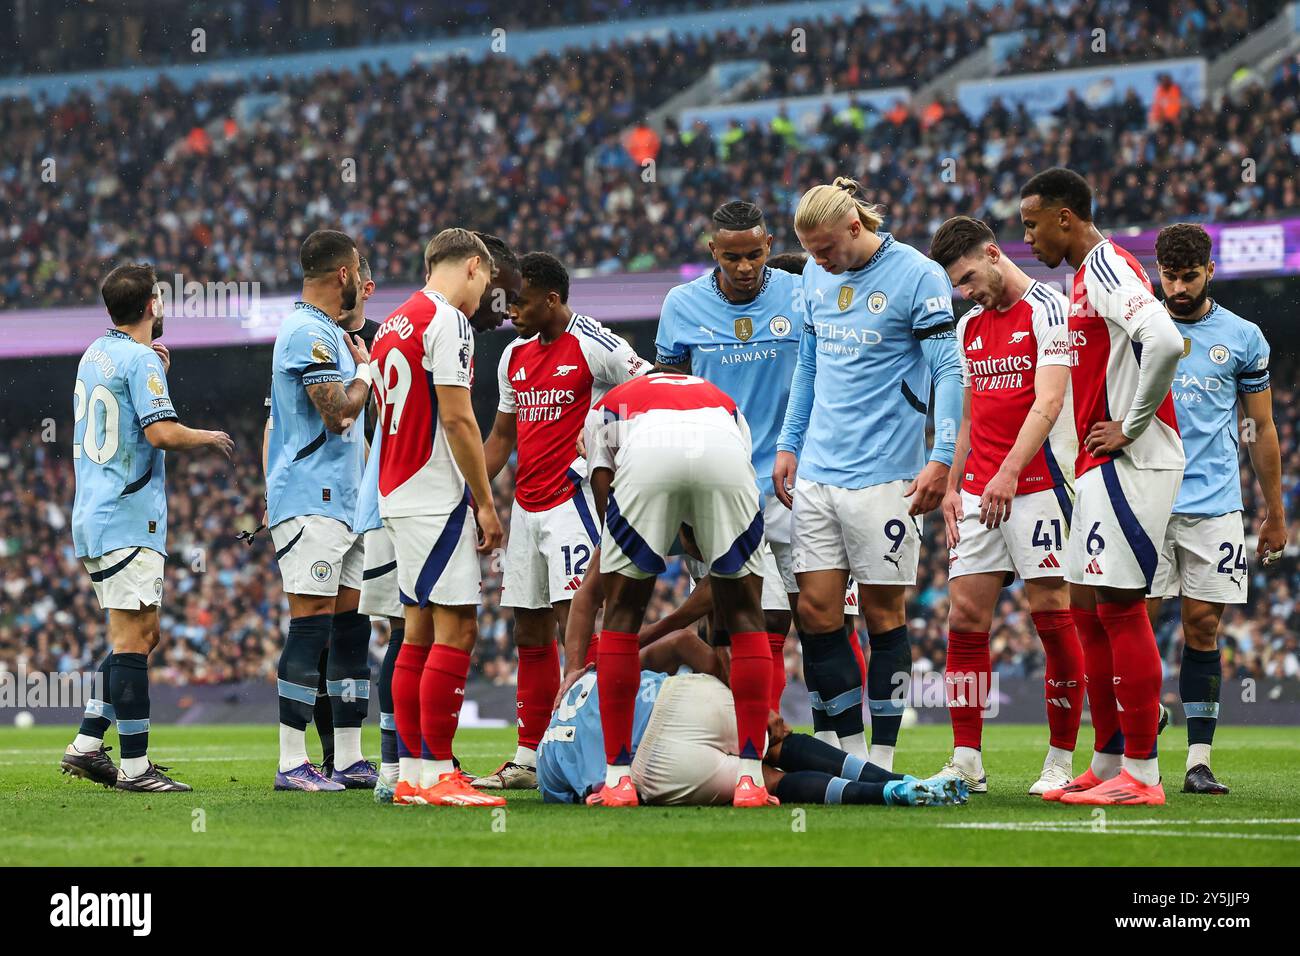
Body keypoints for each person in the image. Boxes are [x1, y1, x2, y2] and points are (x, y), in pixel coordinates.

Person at [651, 203, 865, 752]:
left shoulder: (804, 293)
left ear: (769, 245)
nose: (744, 266)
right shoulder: (682, 305)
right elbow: (671, 402)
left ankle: (845, 744)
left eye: (754, 254)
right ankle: (756, 744)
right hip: (719, 491)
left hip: (801, 484)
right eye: (732, 256)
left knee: (823, 618)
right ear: (712, 252)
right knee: (741, 626)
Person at [774, 177, 963, 771]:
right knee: (817, 611)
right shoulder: (813, 276)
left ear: (856, 227)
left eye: (826, 248)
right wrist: (789, 442)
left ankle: (883, 753)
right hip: (819, 474)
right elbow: (807, 365)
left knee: (884, 616)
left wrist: (943, 456)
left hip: (887, 476)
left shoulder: (917, 275)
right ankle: (849, 753)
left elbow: (950, 369)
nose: (819, 261)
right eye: (810, 251)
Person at [1020, 167, 1185, 806]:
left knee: (1118, 605)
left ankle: (1143, 776)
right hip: (1098, 464)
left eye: (1033, 223)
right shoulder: (1088, 275)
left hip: (1131, 462)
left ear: (1067, 217)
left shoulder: (1109, 265)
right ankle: (1111, 756)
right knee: (1087, 607)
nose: (1027, 237)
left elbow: (1166, 339)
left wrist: (1131, 426)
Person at [475, 252, 648, 790]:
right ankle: (530, 755)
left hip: (573, 502)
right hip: (526, 506)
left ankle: (597, 751)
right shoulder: (514, 355)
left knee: (573, 624)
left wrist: (607, 437)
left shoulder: (595, 342)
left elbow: (647, 389)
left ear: (552, 299)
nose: (509, 313)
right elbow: (503, 435)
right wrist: (473, 493)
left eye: (519, 302)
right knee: (528, 625)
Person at [62, 263, 233, 792]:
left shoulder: (97, 353)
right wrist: (208, 436)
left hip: (97, 511)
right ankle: (135, 768)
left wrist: (155, 371)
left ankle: (89, 744)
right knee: (133, 640)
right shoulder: (139, 360)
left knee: (142, 633)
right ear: (154, 305)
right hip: (126, 515)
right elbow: (158, 433)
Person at [927, 215, 1083, 796]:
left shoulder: (1049, 308)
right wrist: (953, 485)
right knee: (964, 620)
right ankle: (967, 759)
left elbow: (1048, 403)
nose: (967, 292)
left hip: (1039, 486)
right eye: (958, 285)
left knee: (1051, 617)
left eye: (969, 277)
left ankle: (1060, 759)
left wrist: (1009, 473)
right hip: (978, 491)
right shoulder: (969, 326)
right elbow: (970, 414)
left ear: (994, 254)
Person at [582, 372, 773, 807]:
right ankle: (750, 780)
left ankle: (617, 780)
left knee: (622, 617)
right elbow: (728, 471)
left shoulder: (607, 406)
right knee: (747, 616)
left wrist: (612, 546)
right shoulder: (721, 396)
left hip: (648, 458)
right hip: (723, 454)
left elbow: (600, 480)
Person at [1146, 223, 1285, 795]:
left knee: (1202, 627)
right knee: (1132, 620)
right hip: (1144, 502)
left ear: (1209, 271)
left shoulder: (1244, 338)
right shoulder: (1136, 326)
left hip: (1215, 506)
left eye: (1188, 276)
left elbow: (1262, 427)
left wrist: (1274, 511)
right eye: (1169, 276)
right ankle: (1143, 718)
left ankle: (1197, 761)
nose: (1177, 287)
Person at [370, 228, 504, 807]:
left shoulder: (390, 324)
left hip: (397, 492)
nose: (485, 302)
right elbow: (457, 419)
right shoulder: (446, 321)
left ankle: (412, 776)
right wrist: (485, 500)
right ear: (473, 266)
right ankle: (435, 775)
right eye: (488, 284)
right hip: (433, 494)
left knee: (416, 634)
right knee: (457, 630)